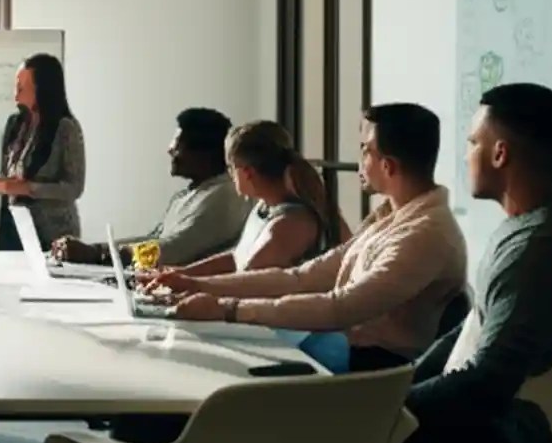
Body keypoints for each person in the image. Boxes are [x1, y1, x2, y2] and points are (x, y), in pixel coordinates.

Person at [156, 103, 467, 372]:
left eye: (365, 149)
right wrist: (196, 284)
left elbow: (341, 308)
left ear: (388, 165)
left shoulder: (424, 235)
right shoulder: (392, 218)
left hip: (369, 369)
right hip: (346, 348)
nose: (359, 157)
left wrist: (227, 309)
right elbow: (301, 278)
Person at [396, 82, 552, 443]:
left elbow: (488, 383)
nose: (467, 153)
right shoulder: (526, 230)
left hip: (517, 441)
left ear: (500, 153)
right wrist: (395, 387)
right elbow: (473, 328)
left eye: (473, 141)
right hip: (495, 425)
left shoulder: (538, 248)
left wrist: (387, 411)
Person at [139, 120, 350, 282]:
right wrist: (182, 274)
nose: (229, 175)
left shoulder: (290, 224)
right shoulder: (264, 207)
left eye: (231, 168)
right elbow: (237, 258)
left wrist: (189, 285)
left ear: (247, 172)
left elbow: (246, 281)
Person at [52, 108, 253, 268]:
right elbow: (152, 240)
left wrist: (96, 255)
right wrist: (95, 250)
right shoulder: (192, 193)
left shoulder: (222, 197)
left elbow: (168, 251)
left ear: (204, 154)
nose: (170, 149)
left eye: (178, 143)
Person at [0, 54, 85, 251]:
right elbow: (7, 183)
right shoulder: (15, 124)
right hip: (13, 231)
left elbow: (73, 188)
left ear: (42, 89)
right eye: (16, 86)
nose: (16, 95)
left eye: (22, 88)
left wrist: (27, 188)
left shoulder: (66, 129)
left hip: (52, 237)